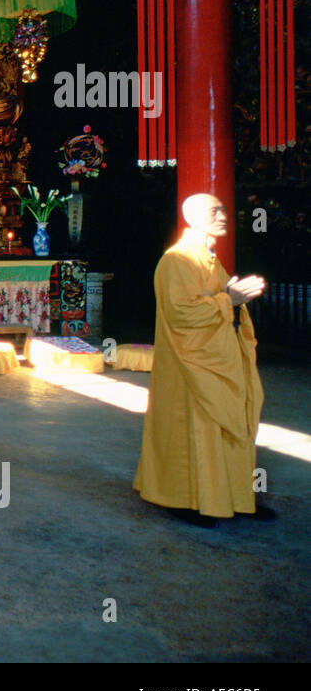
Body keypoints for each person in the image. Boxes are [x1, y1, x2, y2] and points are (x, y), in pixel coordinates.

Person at [134, 193, 269, 527]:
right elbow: (181, 314)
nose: (224, 215)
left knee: (226, 426)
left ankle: (236, 496)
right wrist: (228, 300)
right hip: (187, 362)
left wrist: (234, 300)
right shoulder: (176, 261)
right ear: (191, 219)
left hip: (214, 356)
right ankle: (181, 499)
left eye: (223, 209)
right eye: (214, 211)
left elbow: (222, 299)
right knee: (191, 430)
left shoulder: (209, 259)